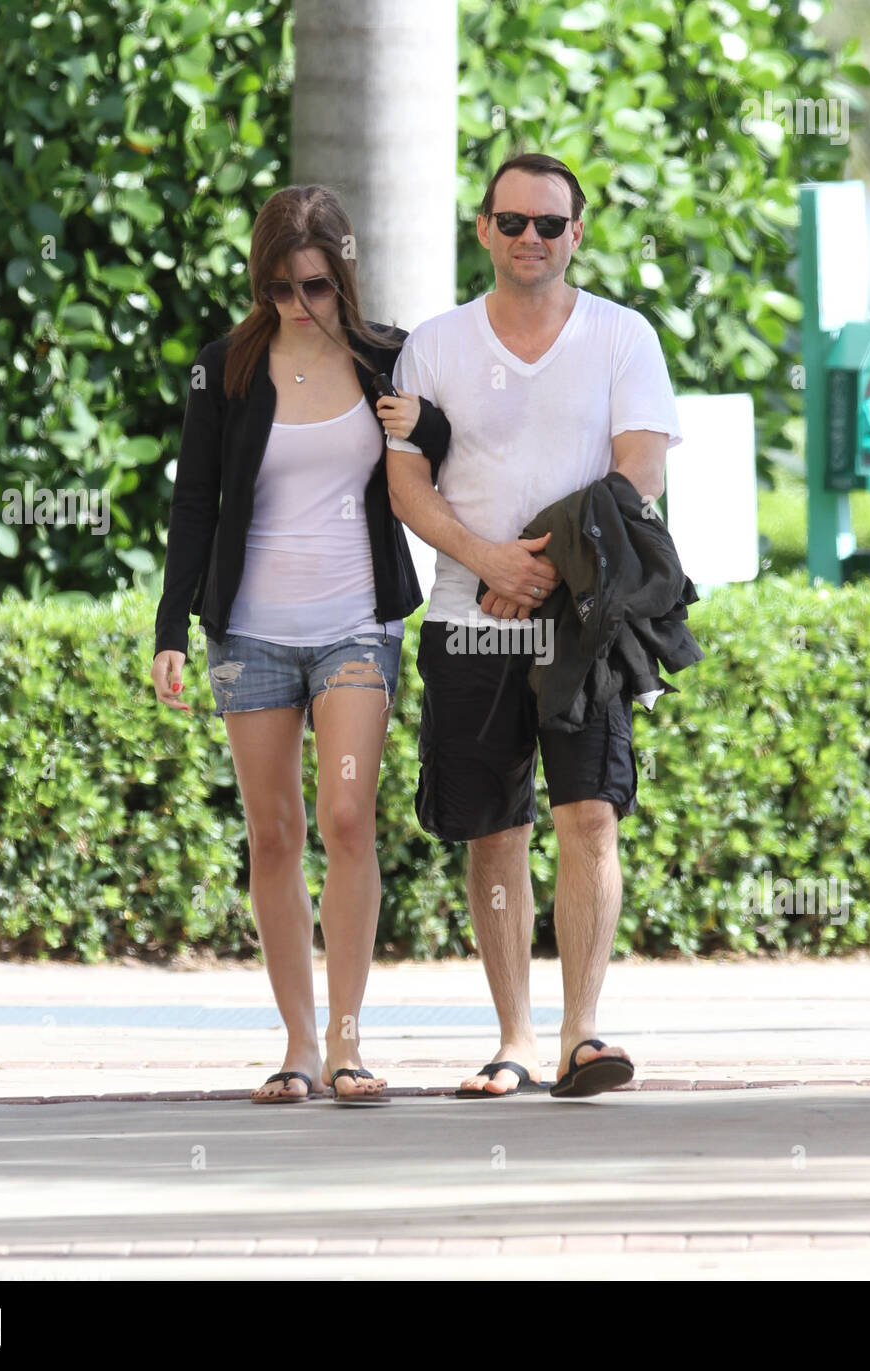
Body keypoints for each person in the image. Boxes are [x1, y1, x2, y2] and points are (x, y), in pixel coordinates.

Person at [385, 153, 682, 1098]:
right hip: (468, 617)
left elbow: (639, 472)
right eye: (511, 222)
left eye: (549, 225)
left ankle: (581, 1034)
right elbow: (406, 484)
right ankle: (513, 1037)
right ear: (484, 231)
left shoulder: (622, 337)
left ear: (576, 235)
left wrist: (541, 565)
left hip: (582, 622)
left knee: (590, 814)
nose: (530, 238)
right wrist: (487, 563)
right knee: (495, 830)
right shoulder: (432, 345)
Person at [151, 185, 451, 1103]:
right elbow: (194, 502)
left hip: (356, 621)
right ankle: (298, 1042)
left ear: (342, 276)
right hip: (250, 632)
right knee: (274, 836)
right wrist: (170, 631)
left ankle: (351, 1040)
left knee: (348, 818)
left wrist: (426, 426)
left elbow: (451, 455)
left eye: (314, 285)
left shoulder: (389, 359)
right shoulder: (226, 369)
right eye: (278, 286)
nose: (296, 304)